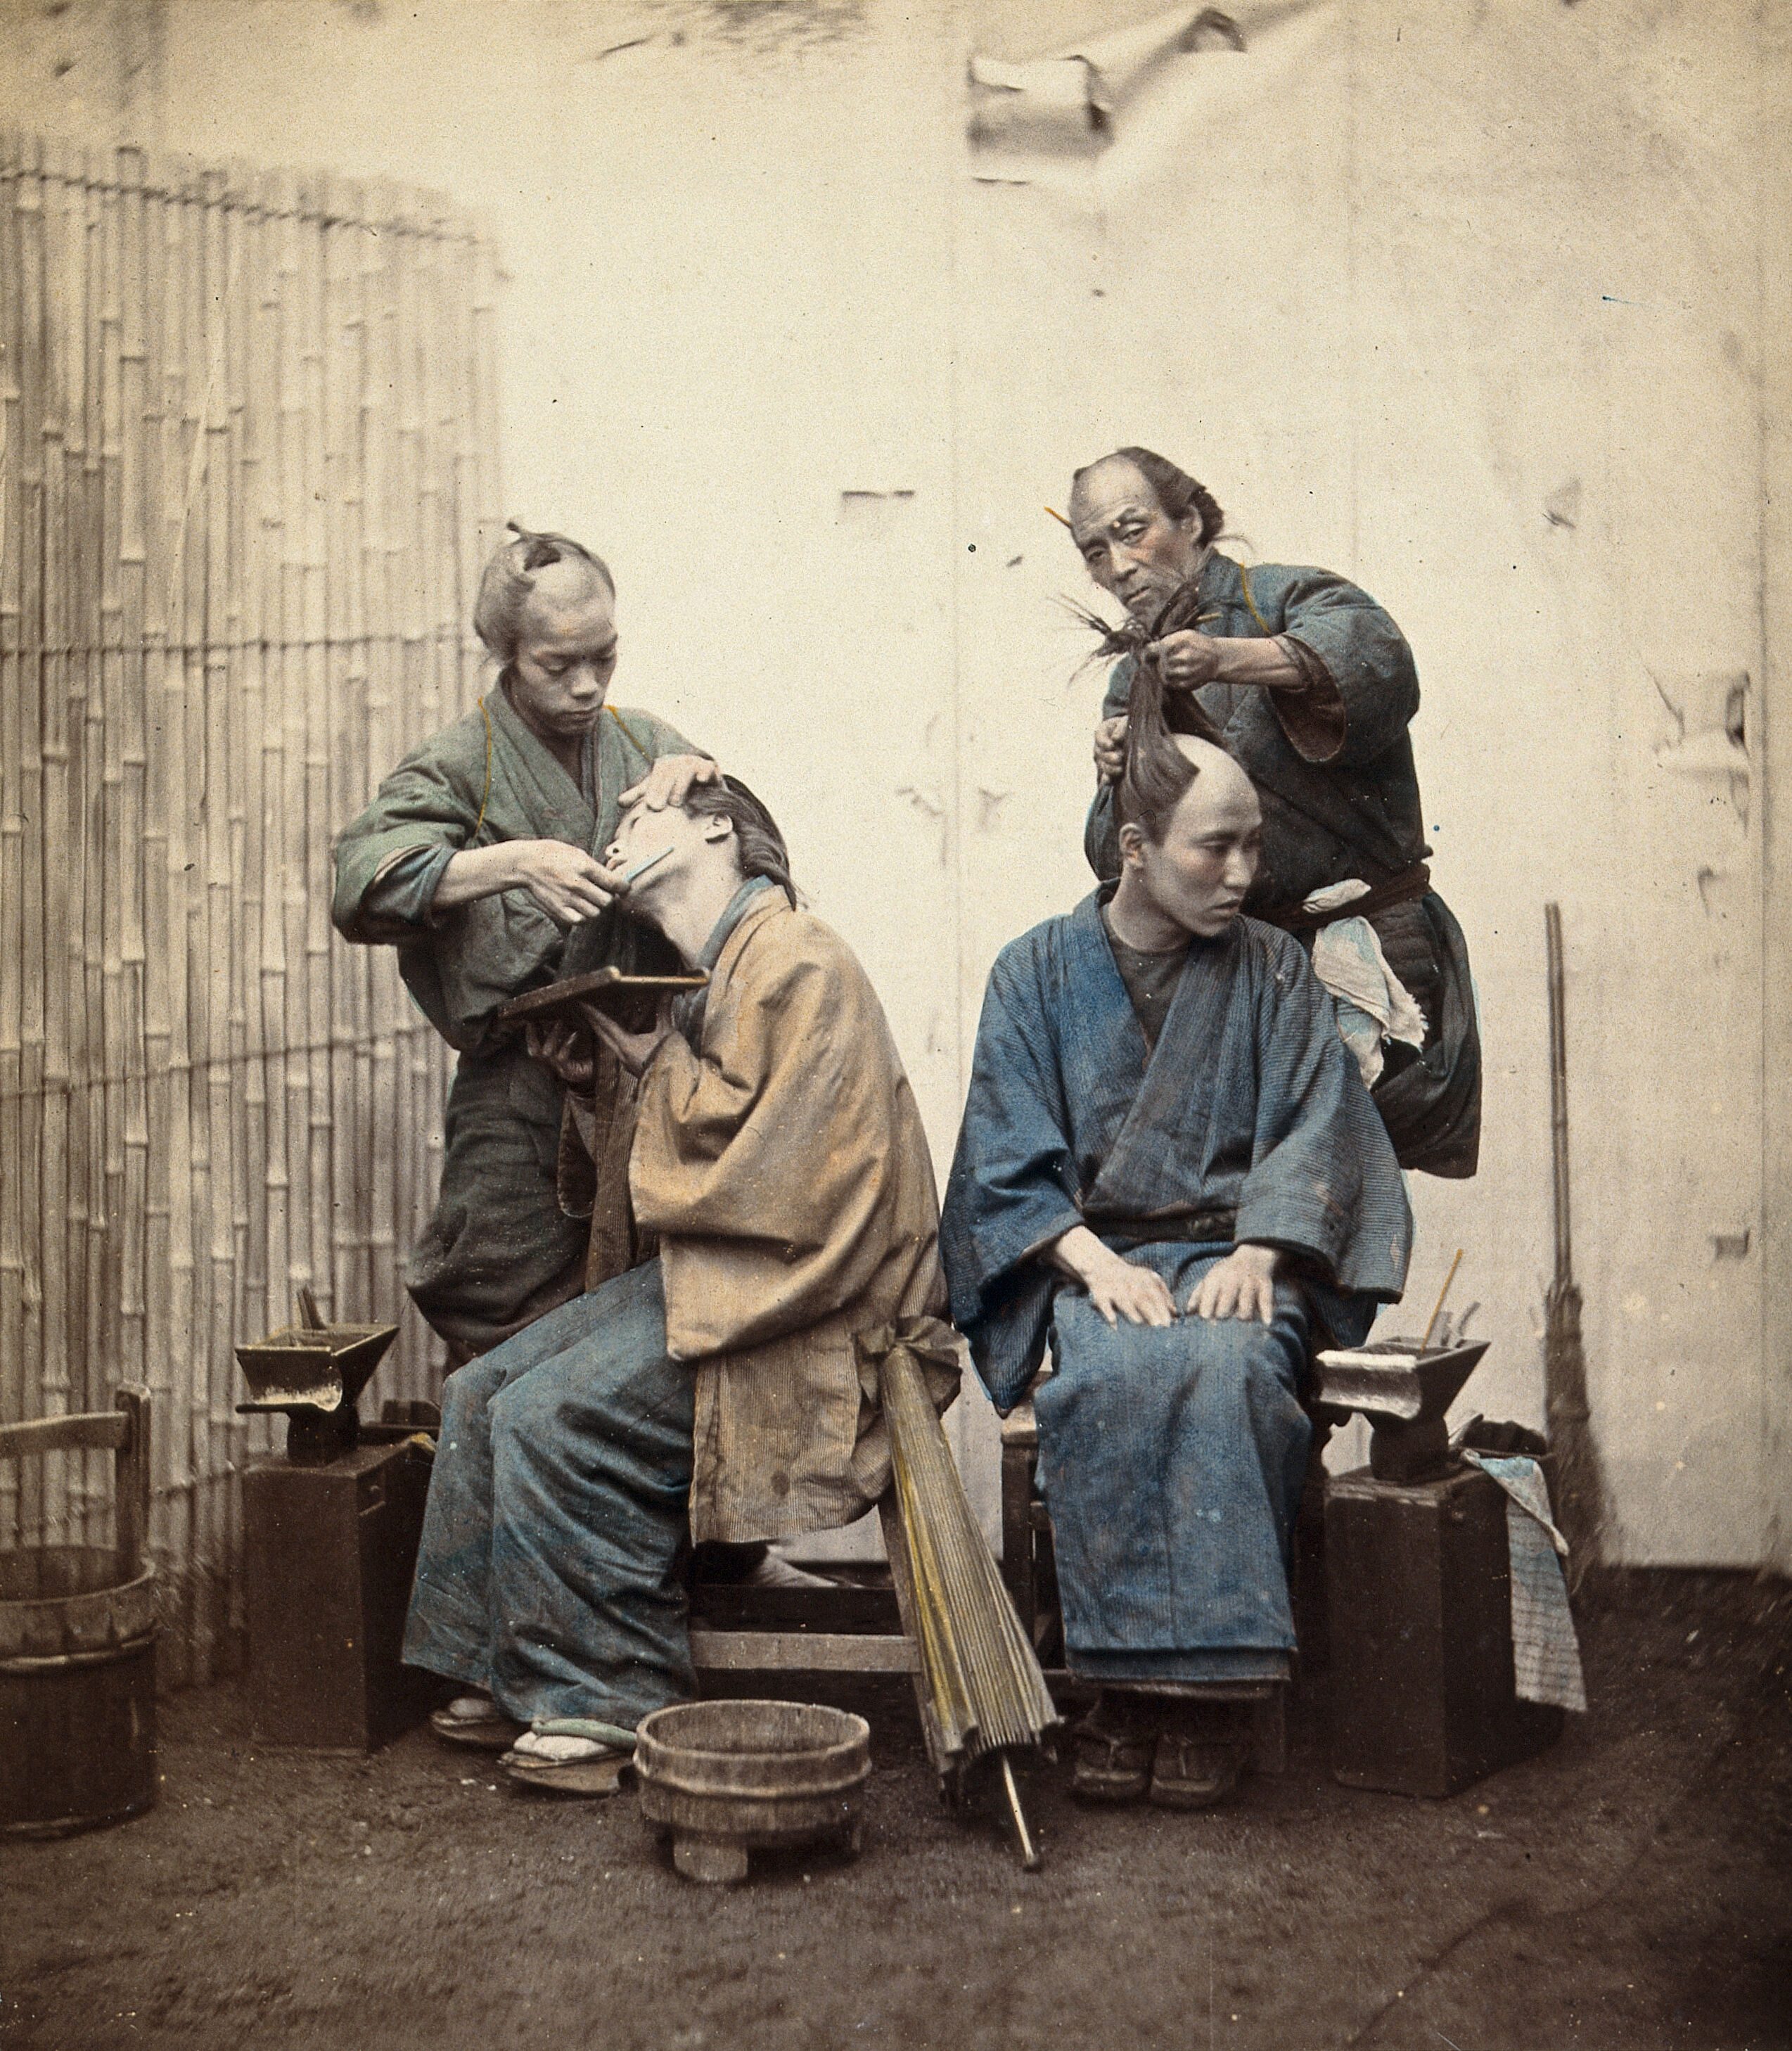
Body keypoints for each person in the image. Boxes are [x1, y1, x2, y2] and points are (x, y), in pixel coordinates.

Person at [403, 775, 956, 1791]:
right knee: (482, 1393)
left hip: (821, 1314)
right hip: (743, 1279)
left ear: (719, 827)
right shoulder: (708, 970)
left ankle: (605, 1697)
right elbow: (679, 1165)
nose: (616, 838)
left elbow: (780, 1185)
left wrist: (655, 1069)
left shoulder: (798, 956)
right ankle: (508, 1657)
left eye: (638, 818)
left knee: (554, 1416)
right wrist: (592, 1081)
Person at [940, 672, 1412, 1810]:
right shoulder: (1034, 971)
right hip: (1095, 1259)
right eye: (1215, 850)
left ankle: (1208, 1708)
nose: (1243, 876)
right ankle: (1117, 1693)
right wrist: (1090, 1262)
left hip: (1238, 1260)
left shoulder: (1273, 972)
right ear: (1134, 847)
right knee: (1103, 1377)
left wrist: (1264, 1248)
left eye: (1253, 847)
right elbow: (1002, 1152)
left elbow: (1316, 1126)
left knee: (1229, 1367)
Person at [333, 523, 718, 1365]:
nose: (586, 686)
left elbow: (746, 858)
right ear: (504, 652)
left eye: (604, 659)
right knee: (499, 1306)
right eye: (557, 665)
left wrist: (699, 786)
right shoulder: (459, 764)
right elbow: (360, 885)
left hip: (641, 1075)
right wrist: (509, 864)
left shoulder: (645, 742)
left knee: (639, 1311)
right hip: (519, 1092)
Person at [1070, 447, 1480, 1177]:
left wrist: (1230, 657)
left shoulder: (1289, 596)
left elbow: (1376, 663)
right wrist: (1118, 777)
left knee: (1331, 1207)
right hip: (1240, 975)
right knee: (1255, 1211)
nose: (1118, 566)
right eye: (1094, 552)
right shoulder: (1134, 675)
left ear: (1190, 520)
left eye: (1131, 532)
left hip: (1365, 953)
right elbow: (1119, 863)